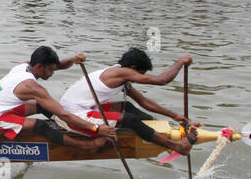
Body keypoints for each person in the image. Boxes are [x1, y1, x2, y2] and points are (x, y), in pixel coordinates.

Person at [58, 48, 198, 155]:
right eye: (139, 74)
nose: (138, 77)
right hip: (73, 117)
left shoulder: (120, 75)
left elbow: (143, 102)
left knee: (127, 107)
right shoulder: (120, 73)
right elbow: (162, 80)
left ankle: (161, 132)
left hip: (85, 109)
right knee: (129, 119)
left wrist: (174, 116)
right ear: (132, 69)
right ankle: (177, 146)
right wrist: (180, 62)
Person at [0, 46, 112, 152]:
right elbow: (63, 113)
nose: (52, 73)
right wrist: (96, 128)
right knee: (40, 125)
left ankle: (68, 126)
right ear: (39, 66)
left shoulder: (23, 66)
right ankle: (86, 145)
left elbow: (59, 65)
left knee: (42, 106)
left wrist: (72, 60)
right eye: (50, 70)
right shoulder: (32, 87)